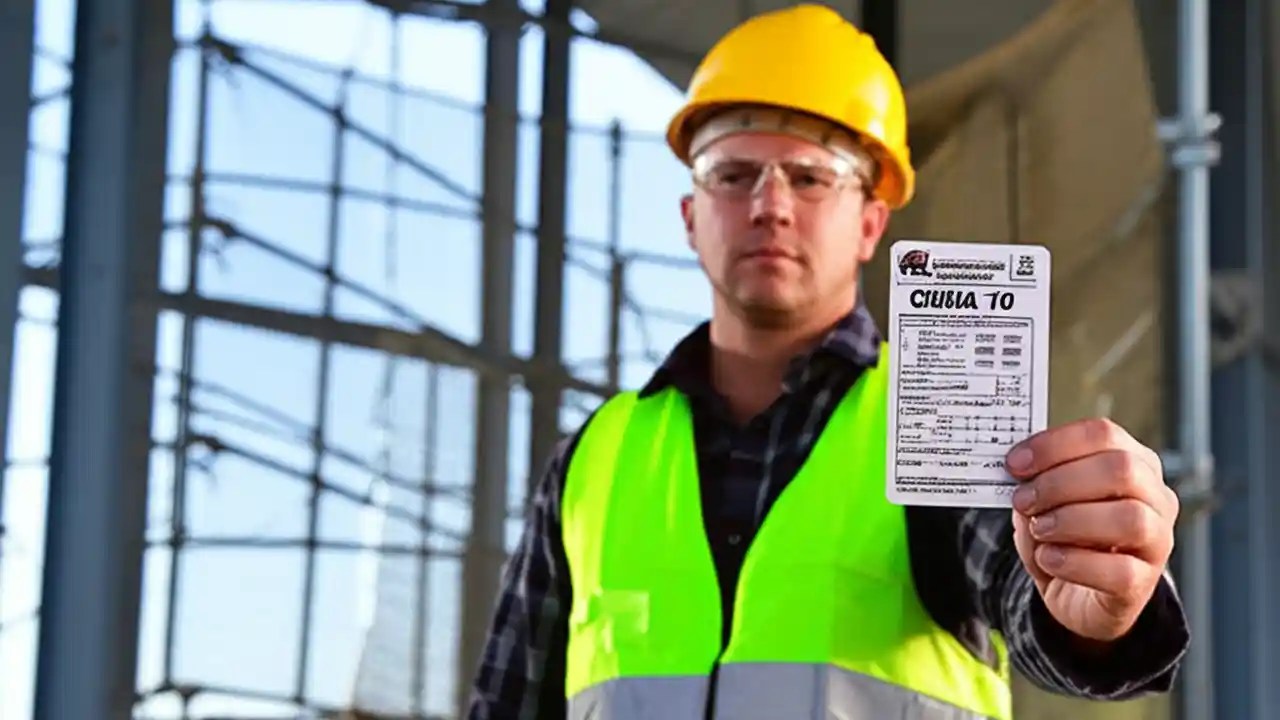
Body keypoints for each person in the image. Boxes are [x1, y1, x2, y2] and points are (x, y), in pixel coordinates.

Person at [466, 5, 1189, 719]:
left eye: (811, 178)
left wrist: (1097, 611)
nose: (770, 206)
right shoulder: (593, 460)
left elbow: (1020, 584)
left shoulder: (937, 417)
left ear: (871, 223)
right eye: (733, 174)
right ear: (691, 217)